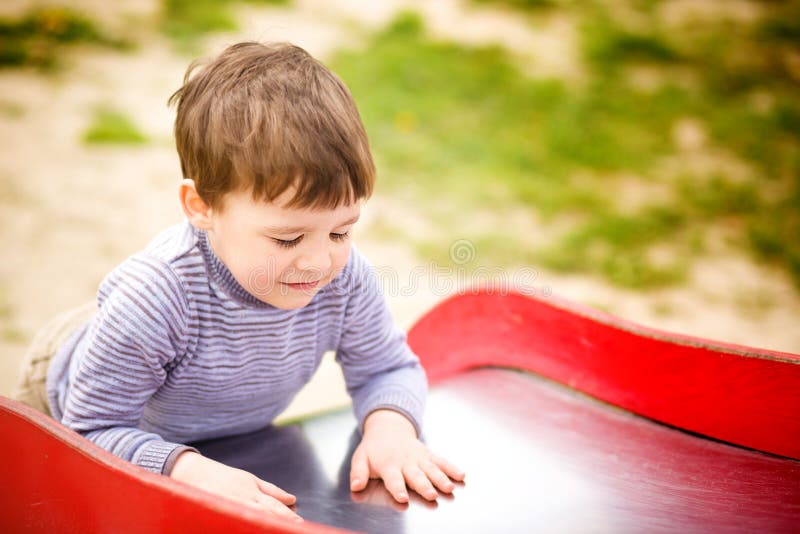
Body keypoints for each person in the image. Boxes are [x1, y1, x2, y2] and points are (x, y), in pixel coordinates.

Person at [12, 41, 464, 523]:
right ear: (201, 208)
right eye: (288, 238)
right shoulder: (155, 299)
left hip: (206, 413)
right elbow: (93, 431)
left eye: (340, 230)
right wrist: (190, 468)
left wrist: (390, 430)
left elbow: (387, 368)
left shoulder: (343, 277)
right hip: (78, 397)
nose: (318, 261)